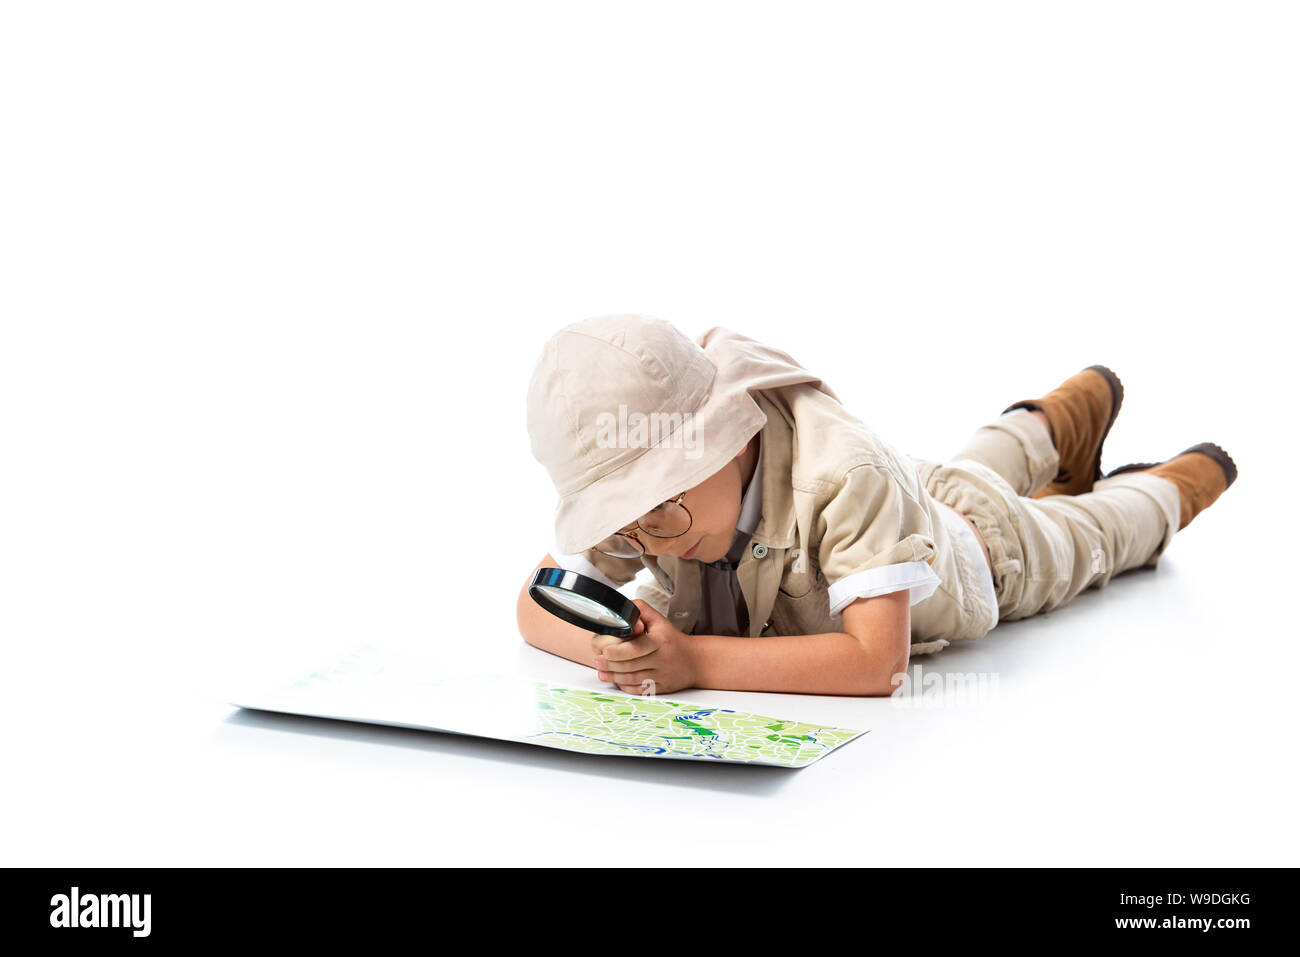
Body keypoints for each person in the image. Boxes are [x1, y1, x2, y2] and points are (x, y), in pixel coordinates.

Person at [515, 314, 1237, 697]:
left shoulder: (843, 472)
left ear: (725, 439)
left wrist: (691, 662)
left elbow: (876, 661)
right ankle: (1050, 423)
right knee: (966, 466)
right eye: (628, 525)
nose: (650, 541)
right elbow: (534, 601)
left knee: (1087, 532)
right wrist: (629, 658)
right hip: (909, 497)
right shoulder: (654, 515)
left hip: (986, 552)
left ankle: (1168, 486)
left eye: (658, 511)